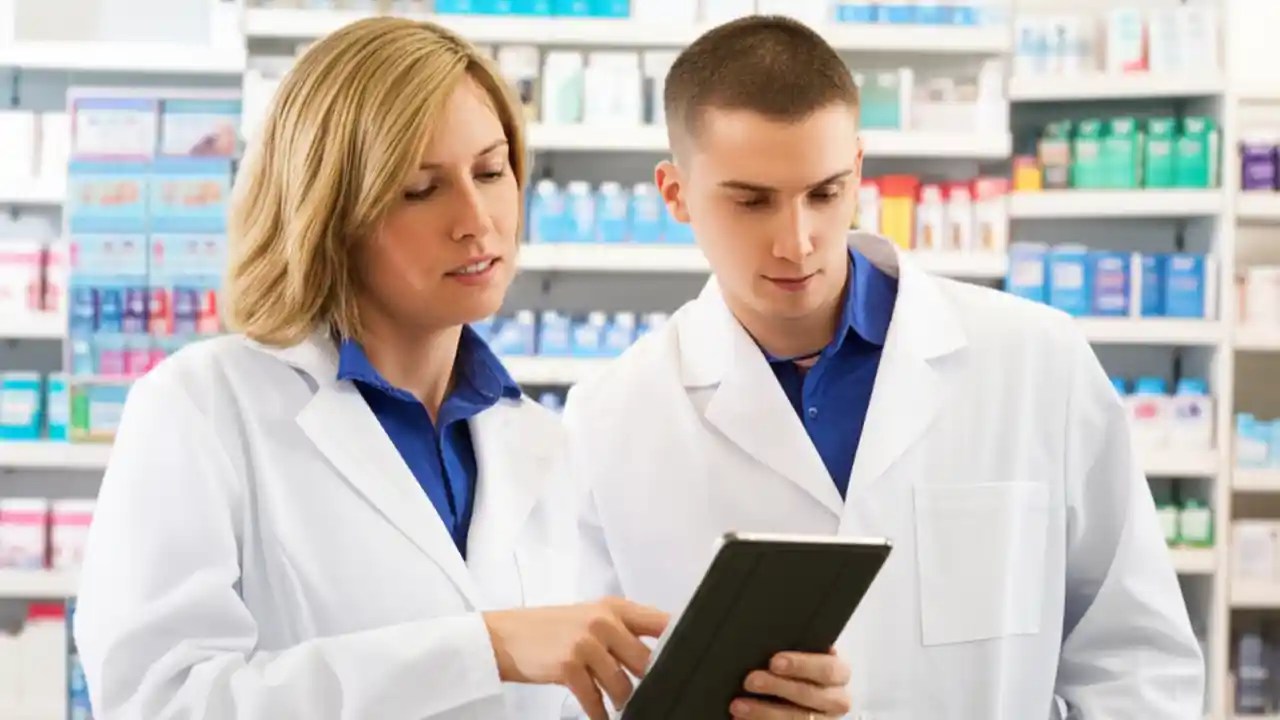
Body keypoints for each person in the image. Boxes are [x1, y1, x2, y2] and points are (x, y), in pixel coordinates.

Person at [73, 16, 850, 720]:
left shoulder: (539, 441)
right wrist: (484, 648)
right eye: (420, 188)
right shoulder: (204, 409)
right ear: (329, 210)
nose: (477, 222)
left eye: (490, 171)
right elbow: (157, 702)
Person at [562, 15, 1205, 720]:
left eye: (824, 192)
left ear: (858, 170)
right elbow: (586, 699)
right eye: (751, 201)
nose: (796, 241)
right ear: (675, 193)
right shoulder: (612, 416)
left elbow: (1139, 662)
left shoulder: (1035, 362)